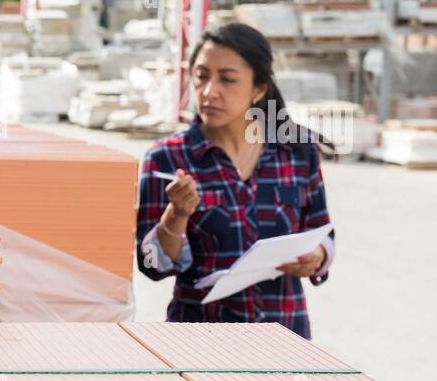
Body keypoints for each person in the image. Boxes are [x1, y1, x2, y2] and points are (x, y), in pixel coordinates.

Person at [136, 22, 335, 338]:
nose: (209, 91)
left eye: (227, 80)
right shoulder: (167, 159)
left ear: (259, 89)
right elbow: (153, 266)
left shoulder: (296, 153)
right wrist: (177, 215)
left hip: (284, 338)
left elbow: (323, 232)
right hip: (198, 342)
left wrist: (317, 257)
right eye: (201, 77)